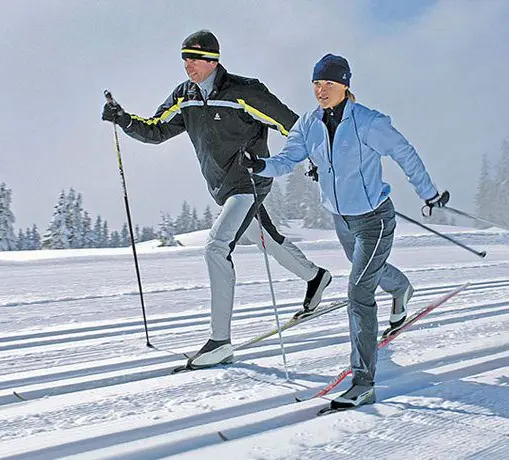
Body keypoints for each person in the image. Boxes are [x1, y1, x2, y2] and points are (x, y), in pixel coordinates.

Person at [101, 30, 332, 369]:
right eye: (184, 58)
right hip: (222, 186)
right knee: (262, 236)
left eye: (193, 58)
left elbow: (292, 126)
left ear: (212, 60)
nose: (187, 65)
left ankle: (220, 341)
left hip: (250, 180)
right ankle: (315, 277)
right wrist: (123, 120)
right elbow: (155, 129)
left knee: (216, 247)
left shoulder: (244, 92)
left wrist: (315, 157)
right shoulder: (185, 96)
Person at [241, 54, 449, 410]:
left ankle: (363, 382)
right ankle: (402, 289)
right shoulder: (309, 123)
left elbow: (404, 152)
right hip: (341, 220)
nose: (321, 91)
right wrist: (262, 165)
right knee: (365, 270)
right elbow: (290, 157)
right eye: (317, 84)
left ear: (345, 85)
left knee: (358, 293)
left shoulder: (368, 122)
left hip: (374, 220)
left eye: (329, 84)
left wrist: (428, 193)